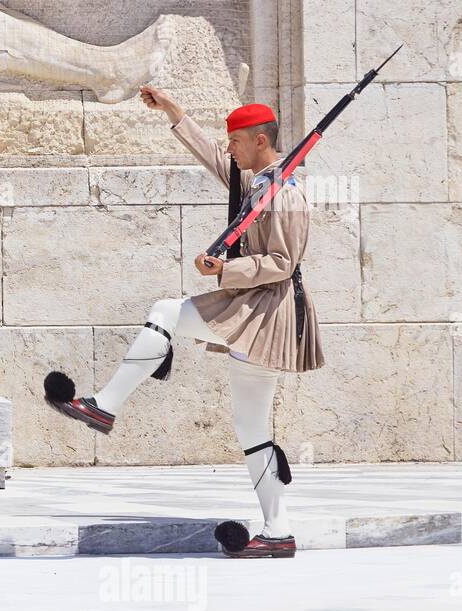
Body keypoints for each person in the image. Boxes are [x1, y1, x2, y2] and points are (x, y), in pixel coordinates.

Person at [43, 87, 325, 558]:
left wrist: (225, 271)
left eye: (235, 141)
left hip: (267, 312)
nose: (229, 149)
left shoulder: (287, 195)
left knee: (166, 312)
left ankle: (105, 406)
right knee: (251, 427)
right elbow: (214, 158)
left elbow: (283, 261)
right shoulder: (256, 182)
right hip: (252, 307)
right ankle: (278, 533)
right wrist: (174, 113)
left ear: (259, 140)